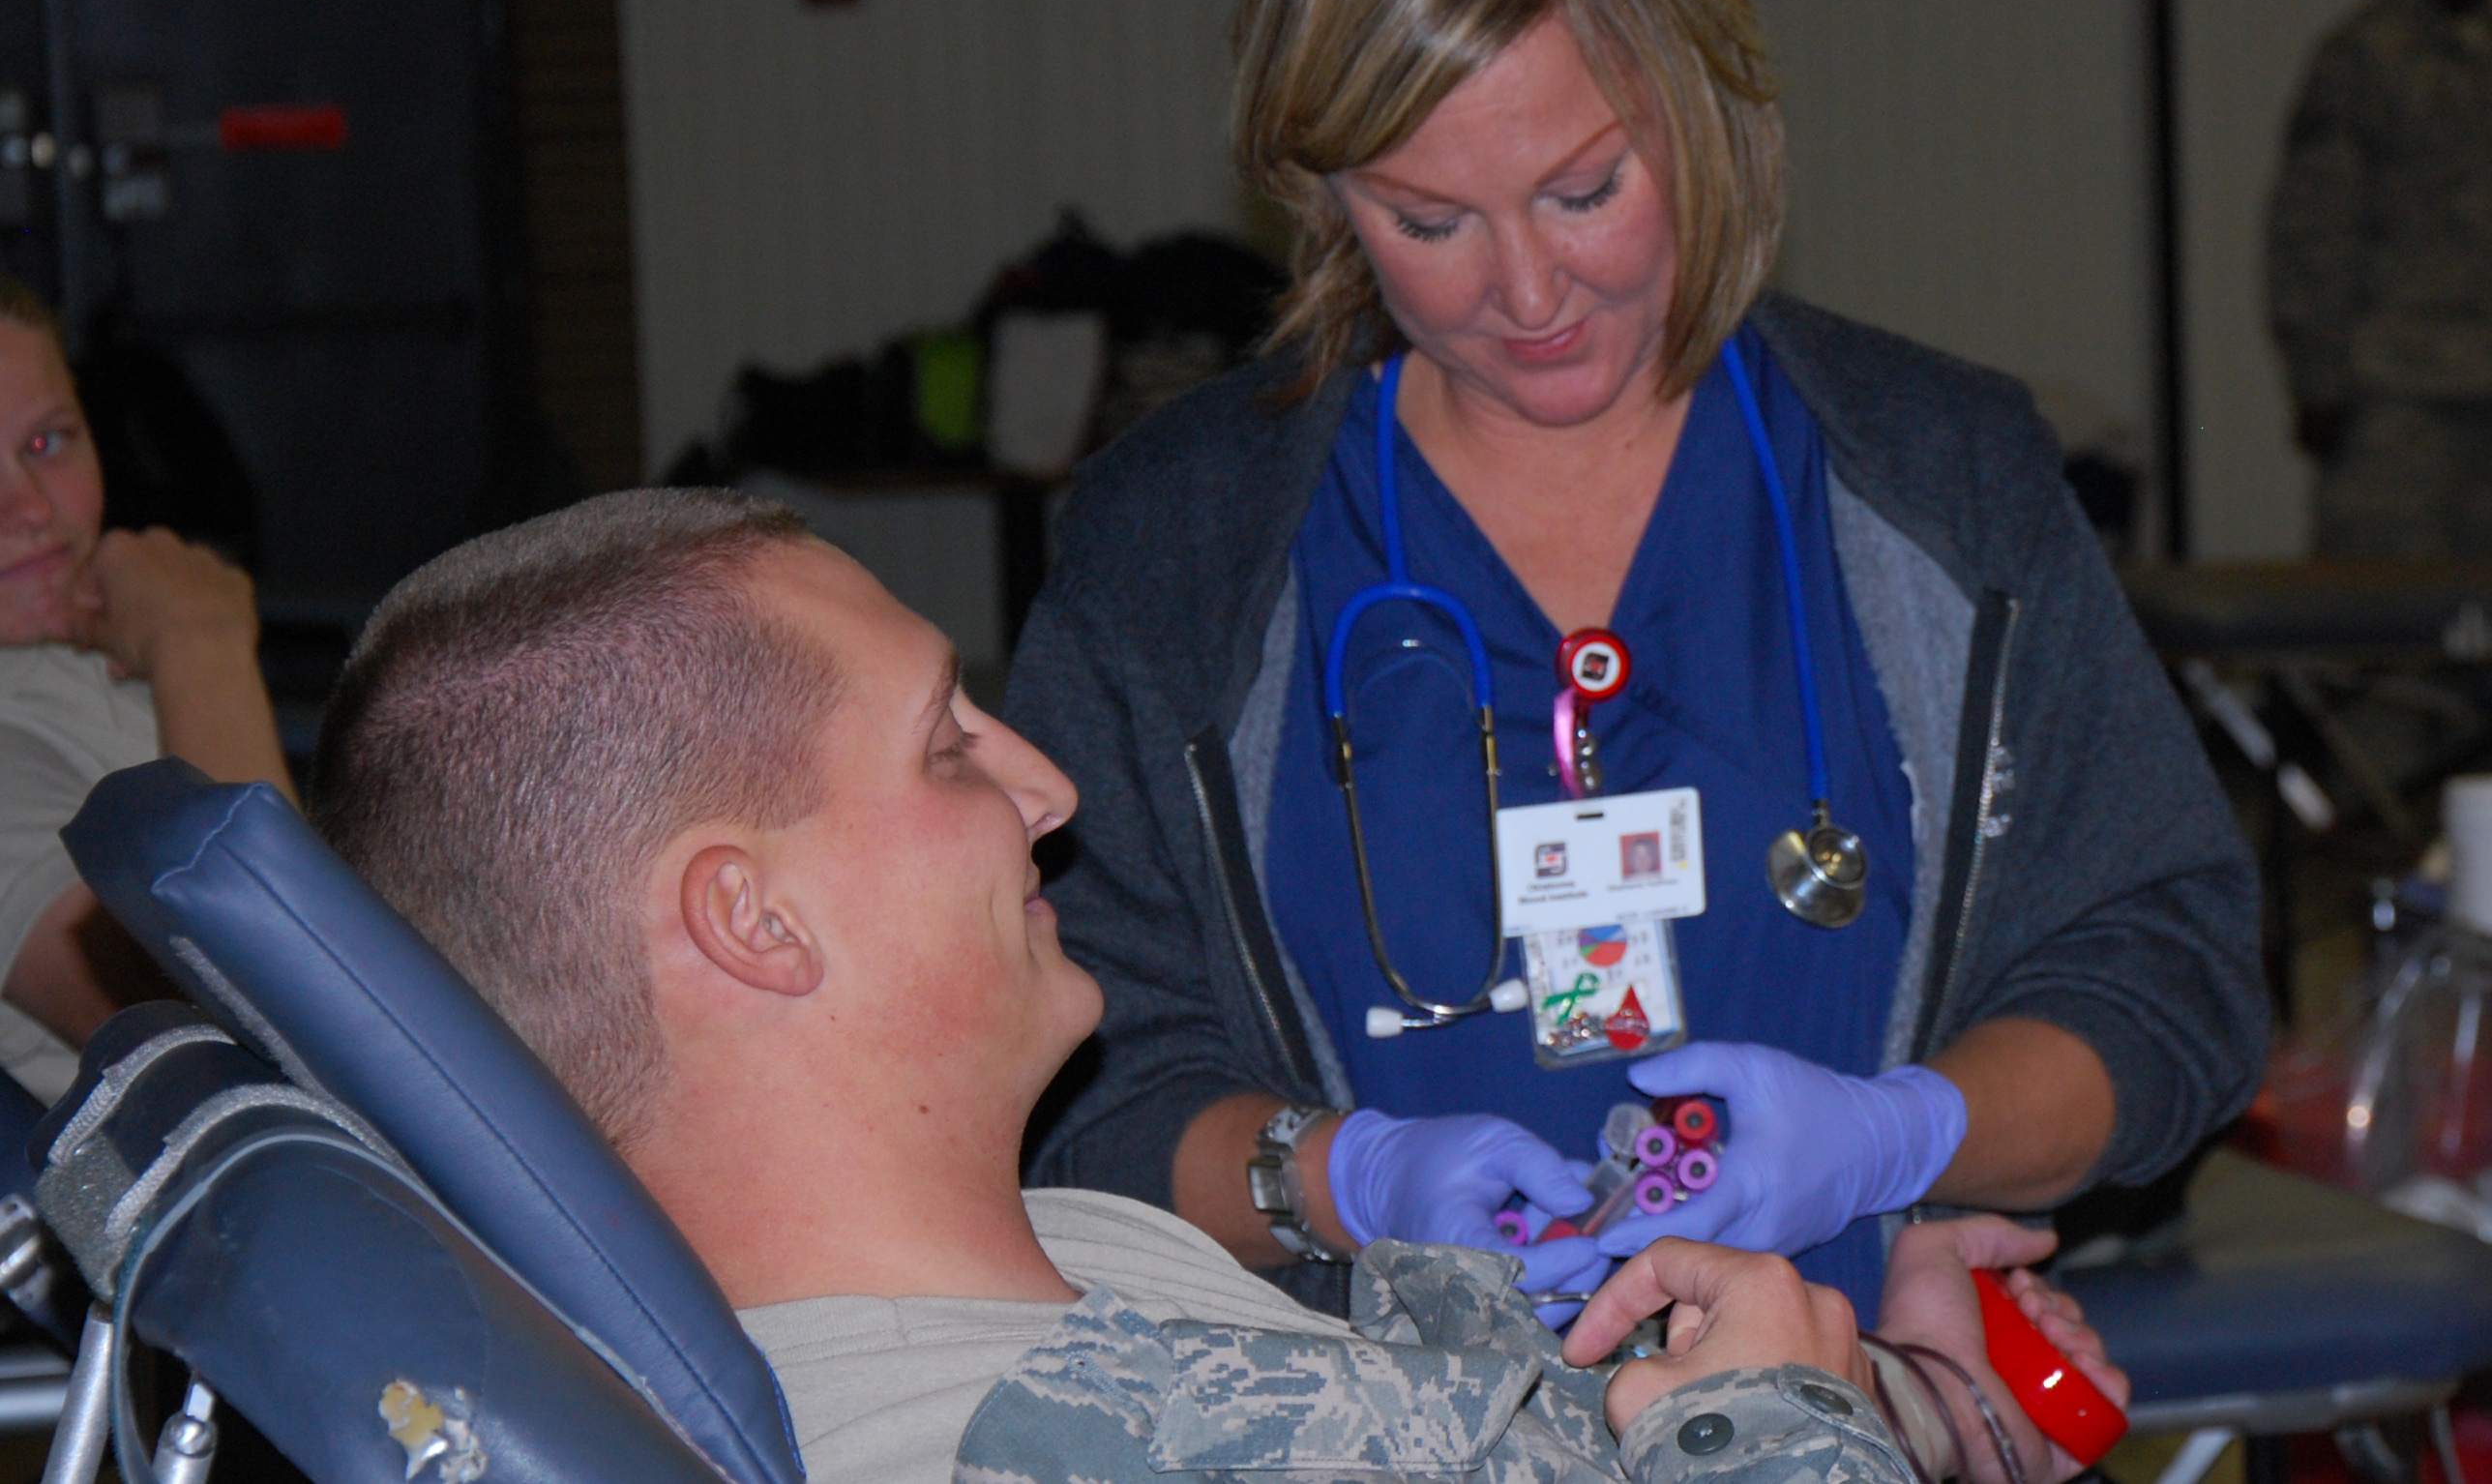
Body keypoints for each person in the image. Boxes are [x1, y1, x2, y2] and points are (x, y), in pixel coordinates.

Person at [1006, 0, 2266, 1324]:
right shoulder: (1177, 552)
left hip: (1834, 1401)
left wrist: (1904, 1142)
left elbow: (2165, 978)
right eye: (1428, 220)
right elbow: (1064, 1091)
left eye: (1585, 189)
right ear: (1320, 191)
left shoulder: (1938, 485)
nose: (1529, 291)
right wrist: (1338, 1180)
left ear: (1700, 106)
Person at [307, 489, 2126, 1484]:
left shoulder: (1064, 1262)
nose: (1045, 787)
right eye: (946, 745)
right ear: (752, 920)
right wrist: (1783, 1432)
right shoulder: (1017, 1450)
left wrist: (1906, 1394)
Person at [0, 275, 293, 1099]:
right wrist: (198, 642)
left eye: (46, 442)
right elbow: (280, 1023)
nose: (27, 507)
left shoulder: (80, 650)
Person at [2270, 0, 2492, 556]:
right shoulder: (2363, 57)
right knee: (2379, 595)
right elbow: (2314, 229)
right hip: (2399, 393)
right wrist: (2318, 382)